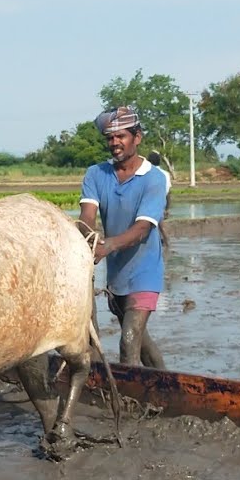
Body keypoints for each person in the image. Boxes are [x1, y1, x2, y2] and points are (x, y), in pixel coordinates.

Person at [79, 106, 168, 369]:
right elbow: (87, 216)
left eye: (122, 136)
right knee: (141, 342)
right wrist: (88, 241)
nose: (115, 143)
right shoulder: (96, 174)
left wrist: (107, 246)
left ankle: (129, 406)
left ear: (137, 137)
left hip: (145, 271)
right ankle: (164, 383)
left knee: (128, 341)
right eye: (110, 138)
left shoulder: (154, 178)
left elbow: (143, 228)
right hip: (117, 275)